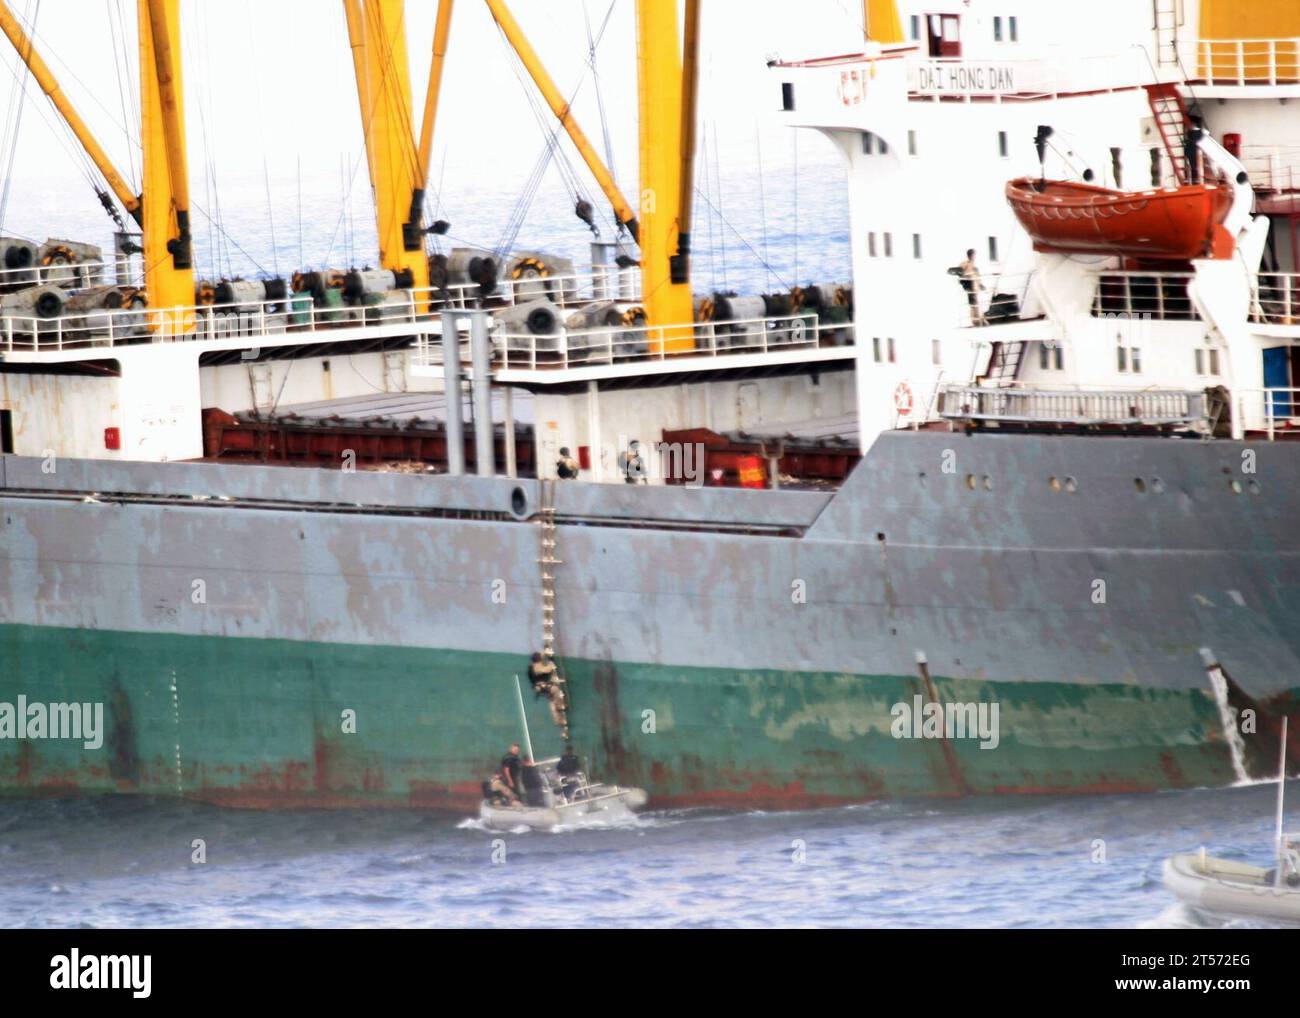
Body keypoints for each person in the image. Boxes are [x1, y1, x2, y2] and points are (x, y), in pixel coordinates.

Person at [955, 248, 985, 326]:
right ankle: (976, 321)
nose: (974, 257)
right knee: (973, 304)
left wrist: (981, 285)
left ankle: (979, 320)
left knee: (977, 303)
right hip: (970, 285)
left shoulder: (974, 265)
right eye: (973, 255)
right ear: (970, 255)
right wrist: (964, 280)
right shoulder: (964, 264)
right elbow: (959, 272)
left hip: (976, 286)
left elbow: (977, 276)